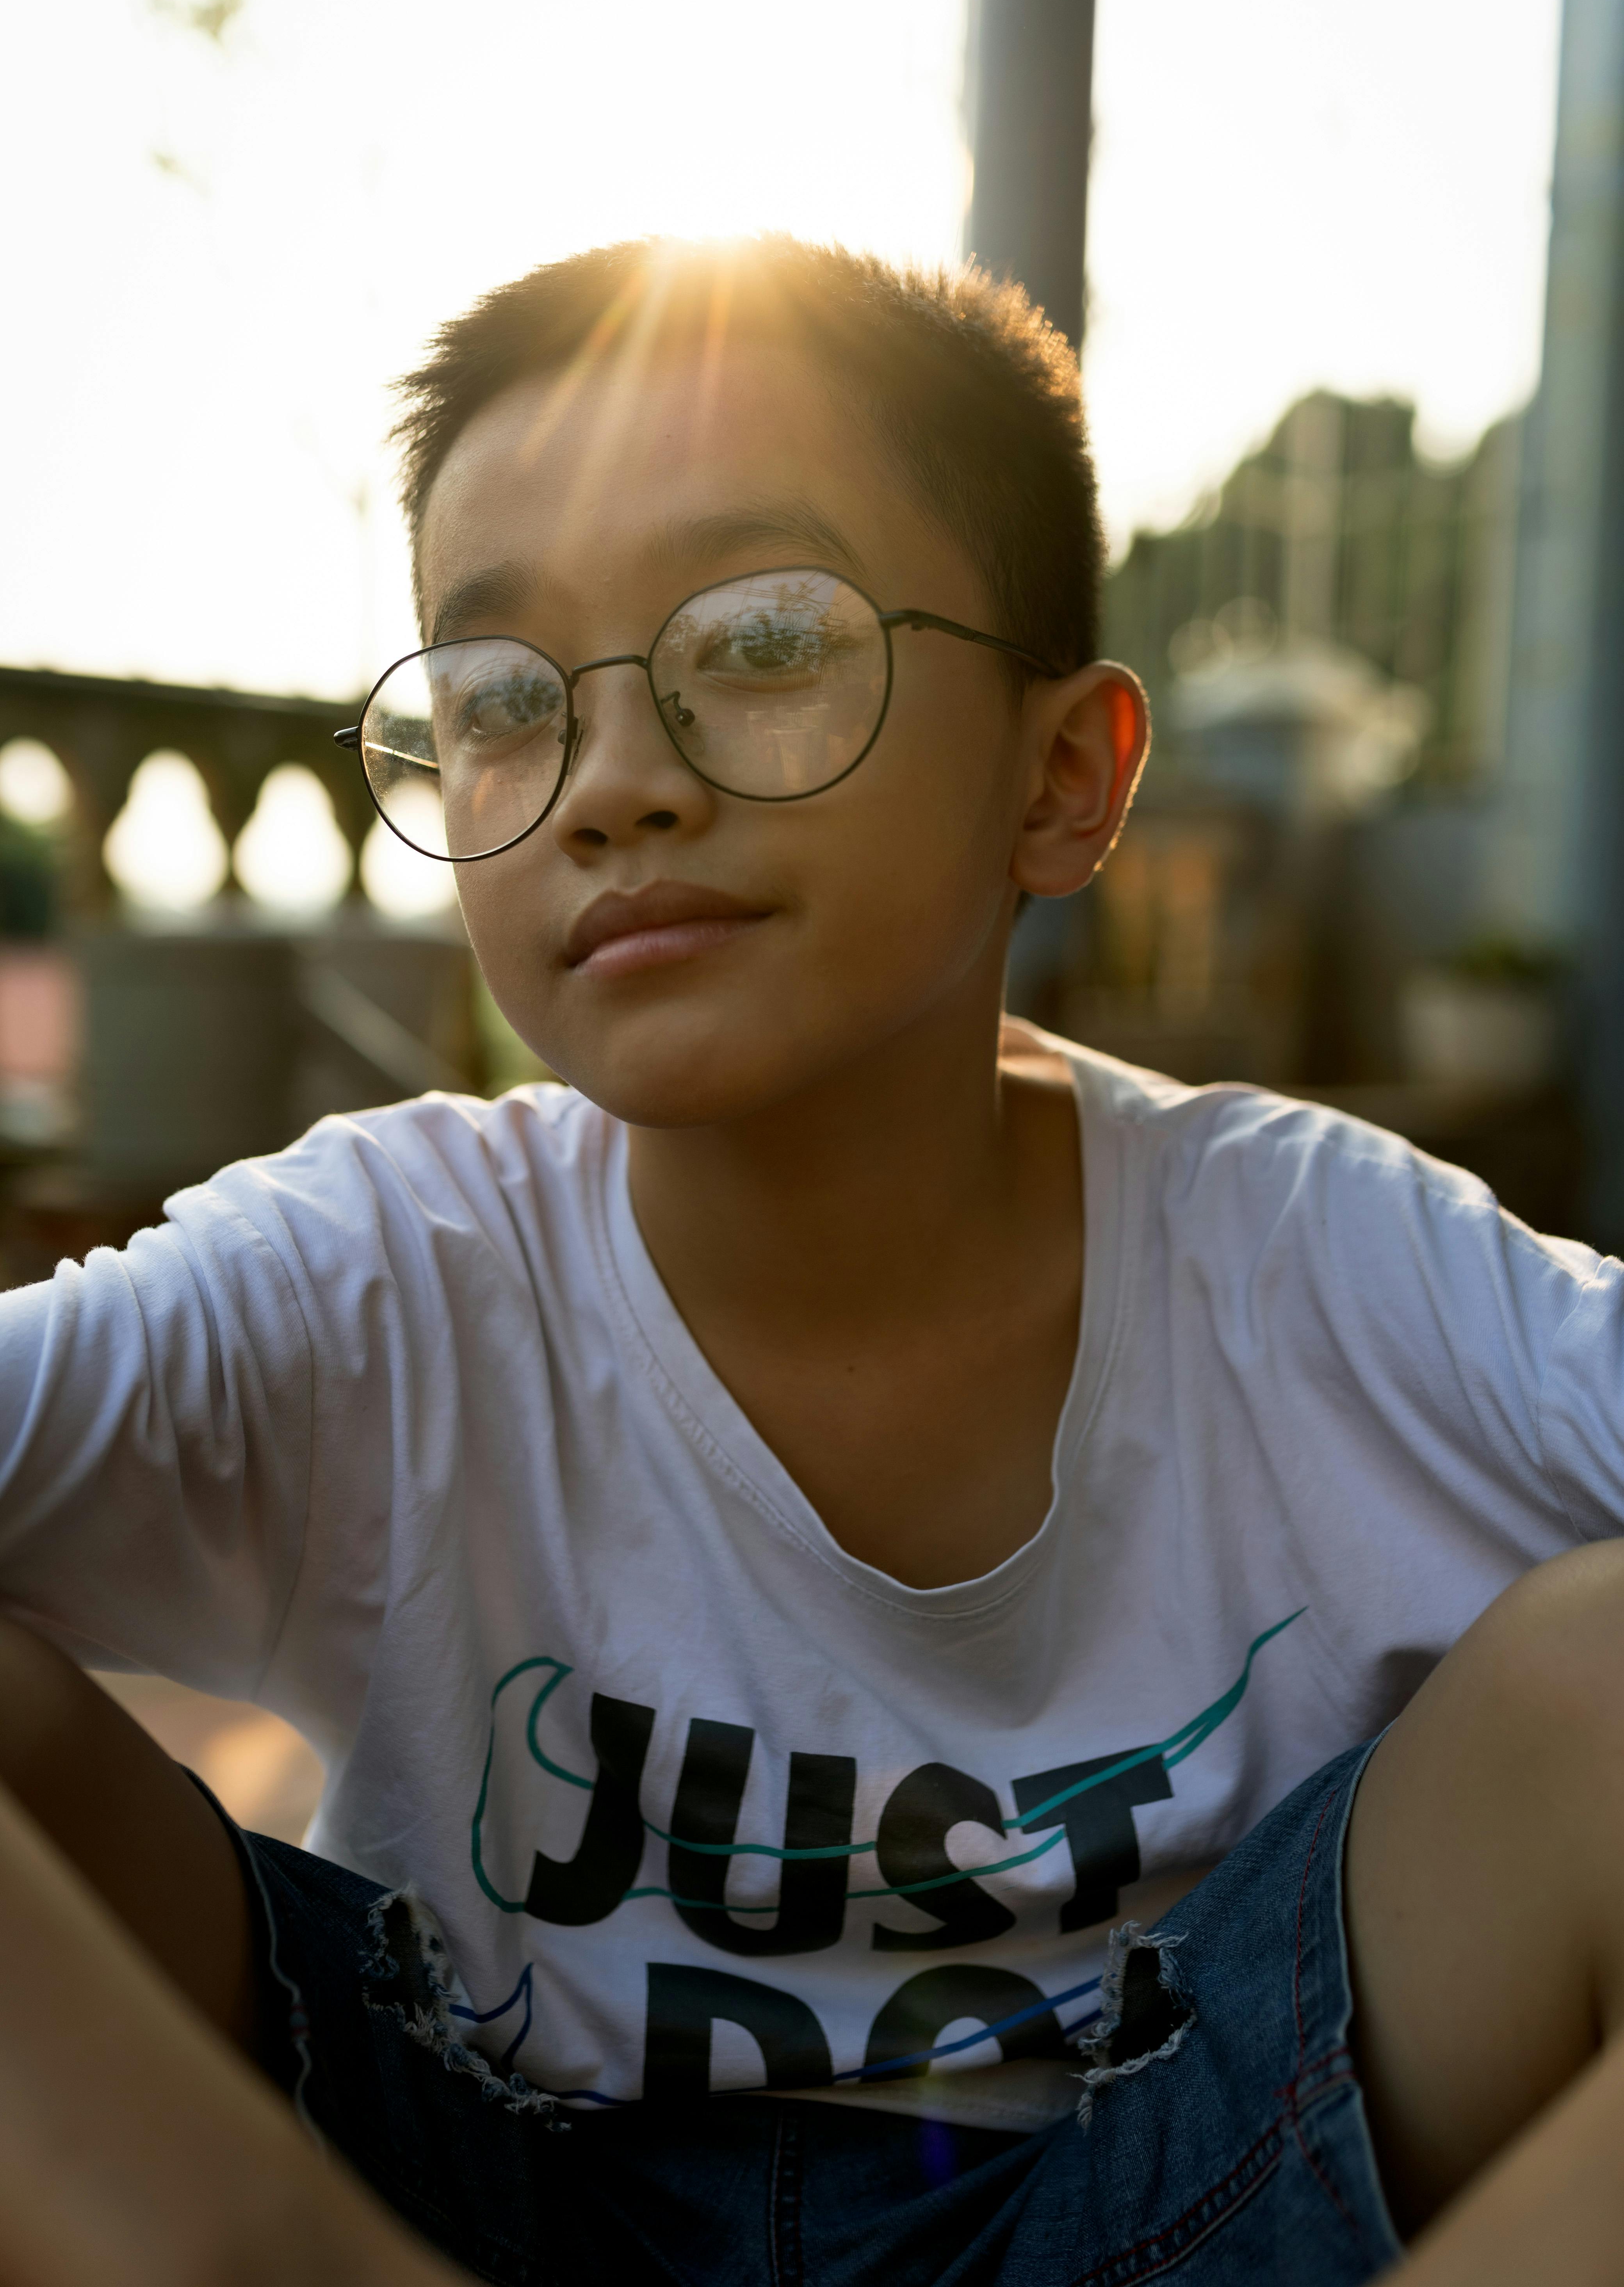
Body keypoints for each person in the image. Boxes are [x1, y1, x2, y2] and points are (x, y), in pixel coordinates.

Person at [3, 236, 1624, 2287]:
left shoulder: (1315, 1270)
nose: (613, 783)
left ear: (1062, 778)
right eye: (502, 701)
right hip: (466, 2192)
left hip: (1141, 2199)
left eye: (764, 642)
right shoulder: (378, 1281)